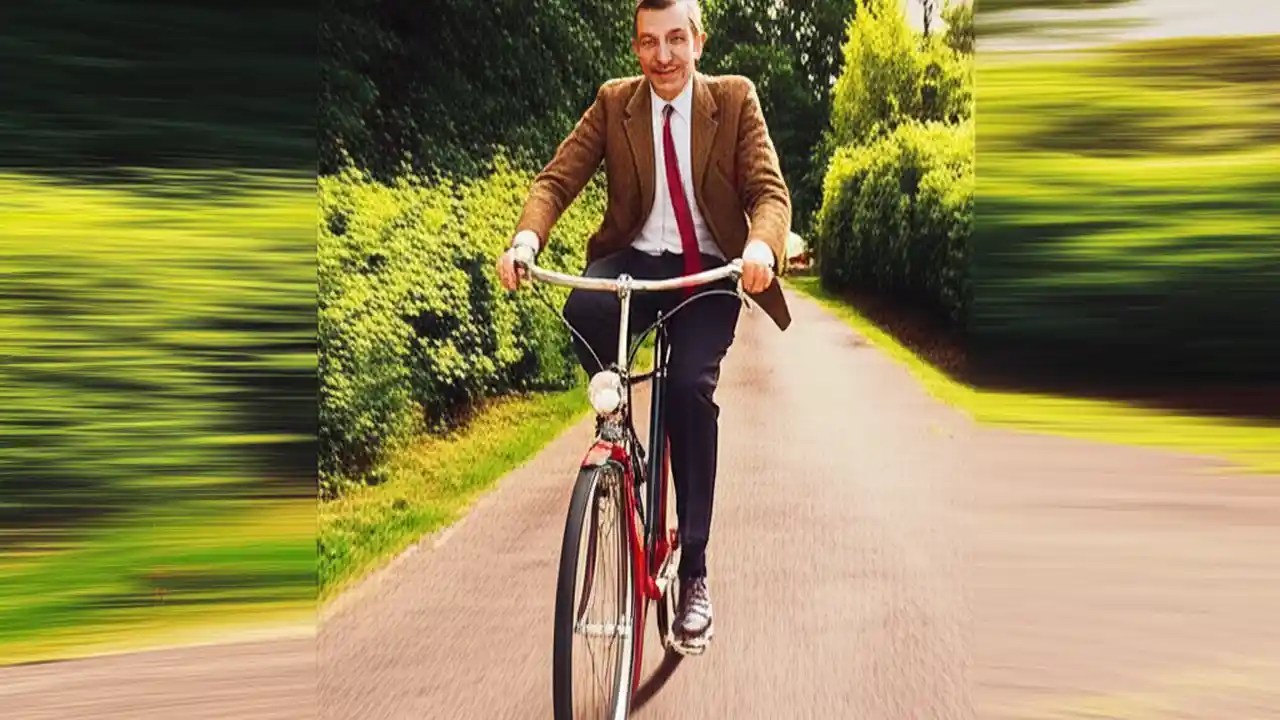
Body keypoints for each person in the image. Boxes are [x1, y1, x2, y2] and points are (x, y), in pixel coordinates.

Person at [495, 0, 792, 654]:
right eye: (650, 42)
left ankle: (695, 573)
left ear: (698, 41)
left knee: (687, 389)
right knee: (583, 308)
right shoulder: (614, 103)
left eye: (676, 39)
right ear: (635, 47)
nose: (663, 56)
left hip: (709, 271)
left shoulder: (734, 100)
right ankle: (621, 435)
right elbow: (555, 181)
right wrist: (525, 241)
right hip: (635, 259)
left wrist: (760, 248)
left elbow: (768, 192)